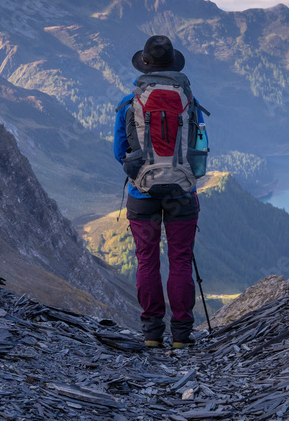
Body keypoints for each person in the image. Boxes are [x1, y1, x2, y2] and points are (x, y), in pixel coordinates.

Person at [113, 35, 201, 349]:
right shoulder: (189, 100)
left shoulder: (129, 102)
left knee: (147, 261)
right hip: (181, 194)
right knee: (180, 261)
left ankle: (152, 335)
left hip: (141, 196)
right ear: (172, 64)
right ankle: (181, 337)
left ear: (146, 65)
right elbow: (198, 149)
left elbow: (118, 151)